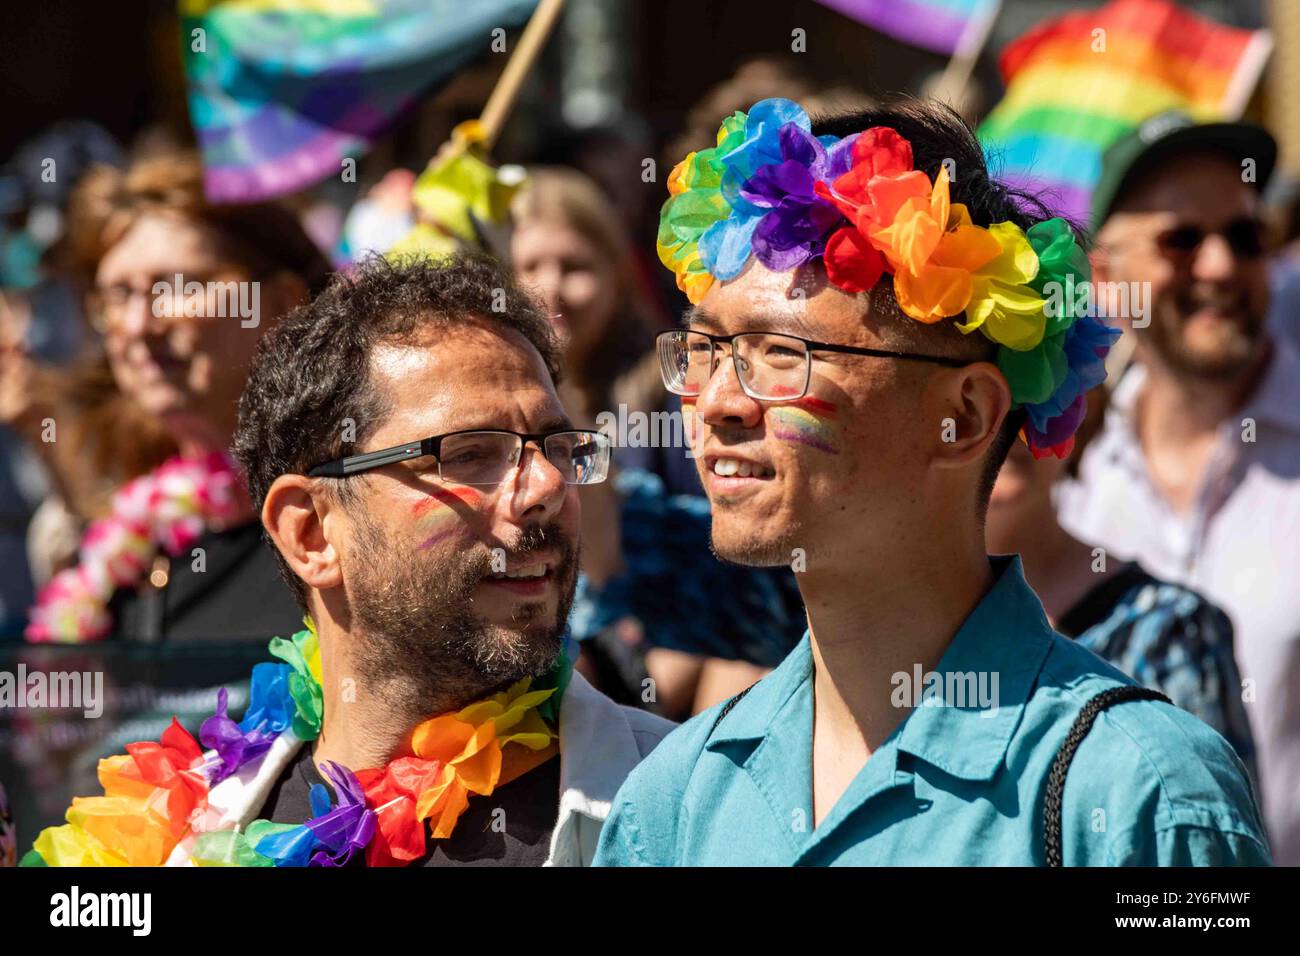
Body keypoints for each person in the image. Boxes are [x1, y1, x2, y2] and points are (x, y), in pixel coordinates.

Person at [594, 98, 1269, 866]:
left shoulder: (1137, 797)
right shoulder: (674, 804)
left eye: (782, 355)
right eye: (707, 348)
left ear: (968, 414)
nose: (716, 401)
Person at [23, 252, 672, 867]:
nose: (548, 489)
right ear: (310, 532)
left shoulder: (681, 805)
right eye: (472, 452)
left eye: (558, 447)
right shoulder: (186, 837)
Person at [1058, 111, 1299, 865]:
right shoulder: (1064, 480)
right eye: (1182, 240)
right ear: (1105, 279)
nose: (1221, 266)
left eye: (1245, 236)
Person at [24, 151, 331, 643]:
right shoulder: (125, 542)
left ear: (280, 302)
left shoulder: (347, 513)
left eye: (178, 286)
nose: (139, 326)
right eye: (119, 295)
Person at [986, 390, 1256, 780]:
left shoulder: (1167, 633)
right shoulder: (886, 630)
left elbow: (1204, 832)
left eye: (1033, 387)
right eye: (970, 394)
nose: (1006, 420)